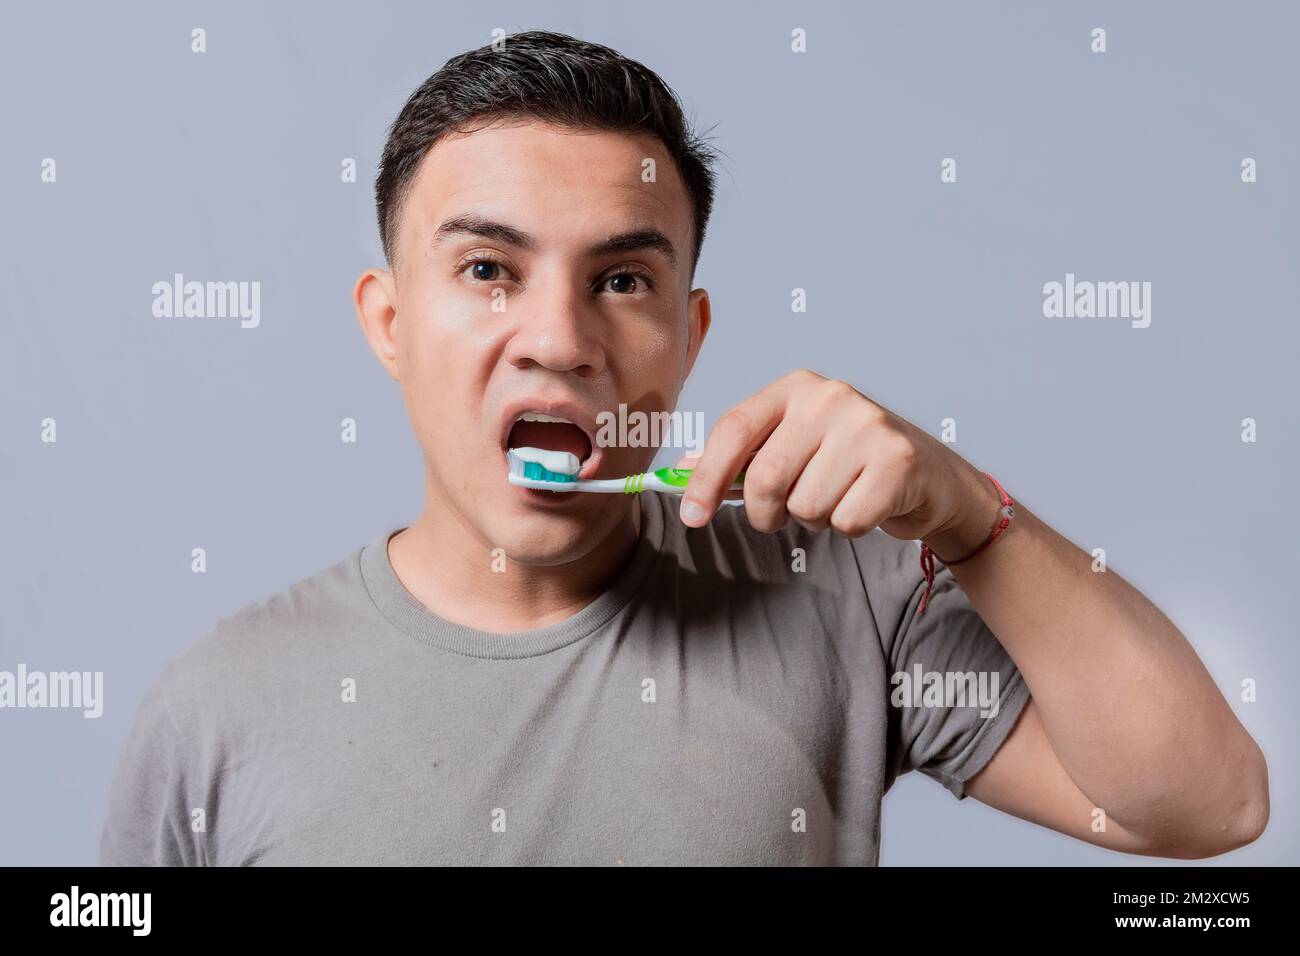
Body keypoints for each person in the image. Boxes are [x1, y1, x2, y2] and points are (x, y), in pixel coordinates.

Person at [100, 30, 1267, 866]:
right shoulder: (215, 709)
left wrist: (968, 512)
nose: (558, 339)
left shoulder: (839, 591)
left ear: (688, 334)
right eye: (487, 270)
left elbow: (1205, 806)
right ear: (390, 323)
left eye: (620, 279)